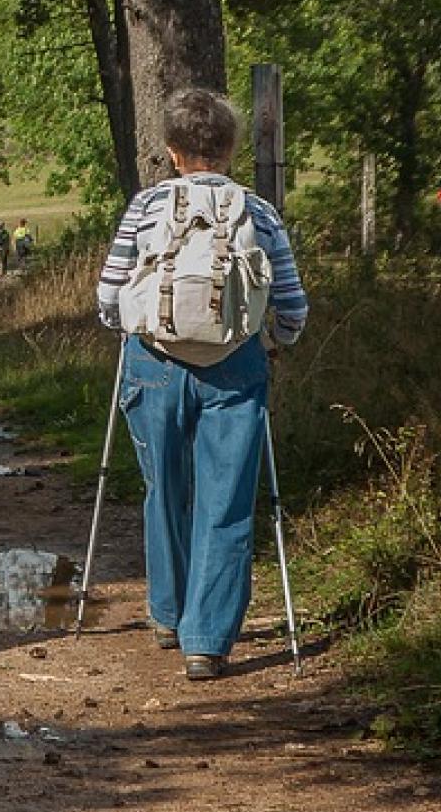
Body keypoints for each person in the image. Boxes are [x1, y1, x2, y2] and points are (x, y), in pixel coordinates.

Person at [96, 88, 309, 682]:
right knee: (227, 501)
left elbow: (109, 296)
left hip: (153, 362)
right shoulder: (258, 212)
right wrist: (274, 342)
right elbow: (293, 306)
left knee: (164, 487)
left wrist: (129, 327)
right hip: (236, 366)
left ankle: (167, 614)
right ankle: (206, 643)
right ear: (231, 148)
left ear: (172, 151)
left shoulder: (145, 206)